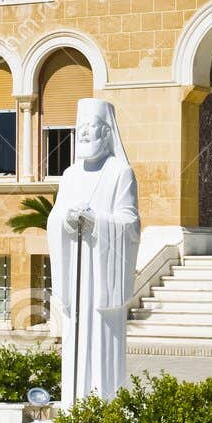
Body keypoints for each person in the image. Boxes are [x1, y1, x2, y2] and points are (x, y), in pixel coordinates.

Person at [47, 99, 140, 406]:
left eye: (91, 128)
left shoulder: (120, 173)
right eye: (81, 128)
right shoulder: (70, 174)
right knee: (74, 336)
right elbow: (55, 217)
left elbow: (130, 224)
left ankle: (106, 404)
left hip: (103, 275)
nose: (85, 134)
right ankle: (74, 403)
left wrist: (96, 221)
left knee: (102, 339)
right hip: (76, 270)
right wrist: (67, 219)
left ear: (107, 132)